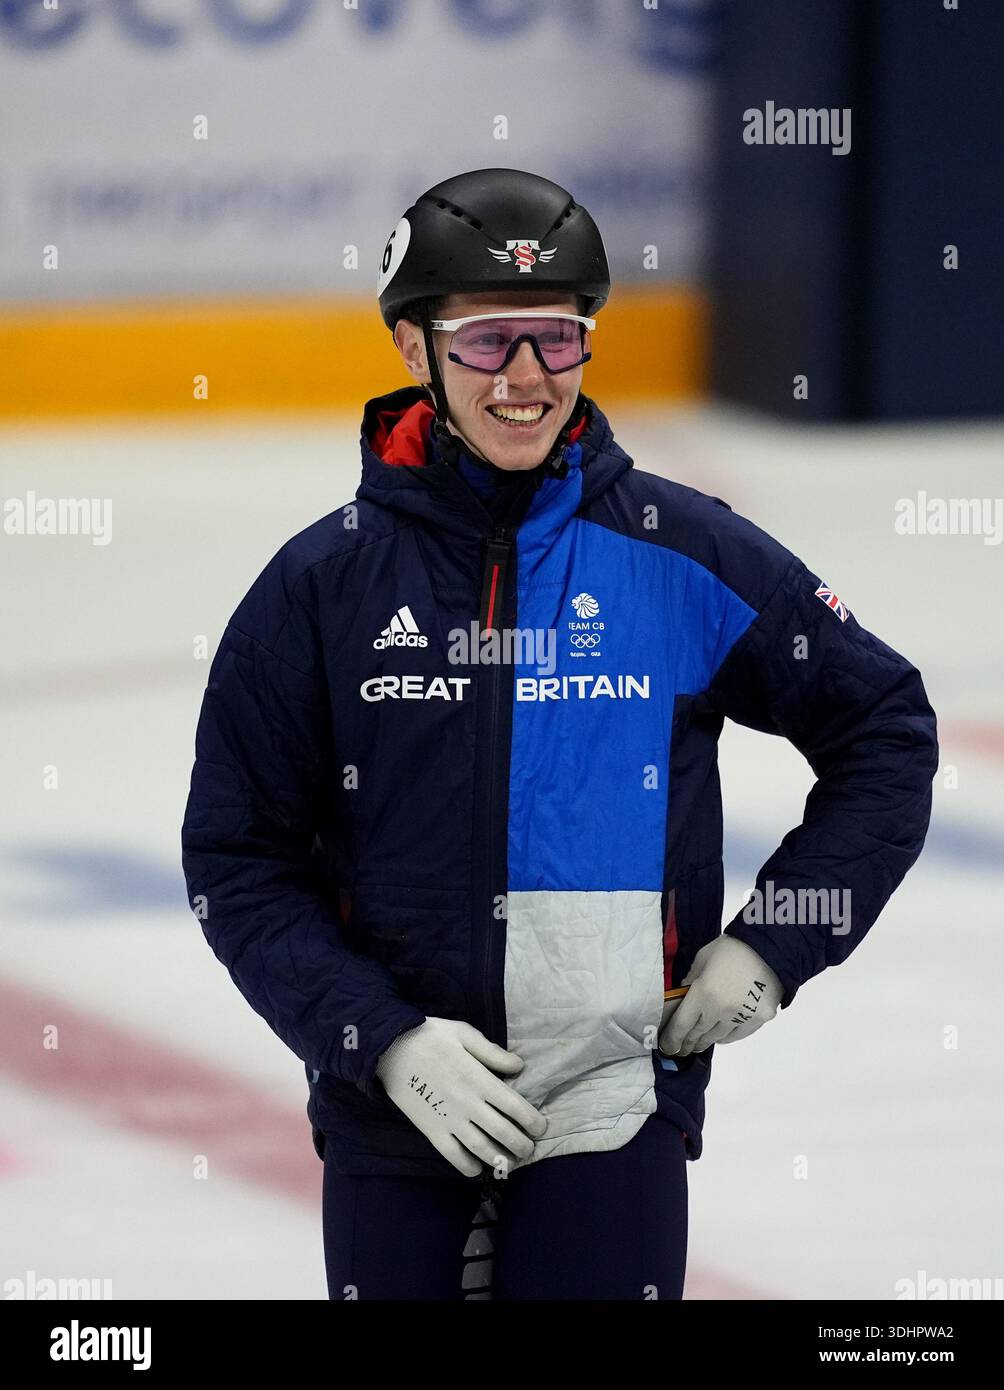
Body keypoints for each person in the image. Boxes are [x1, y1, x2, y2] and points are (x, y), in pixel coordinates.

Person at [181, 168, 939, 1301]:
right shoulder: (319, 588)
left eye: (557, 337)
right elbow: (238, 864)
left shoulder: (680, 555)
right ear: (411, 349)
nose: (527, 378)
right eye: (488, 342)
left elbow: (882, 724)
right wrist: (380, 1038)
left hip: (614, 1096)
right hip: (394, 1112)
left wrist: (774, 941)